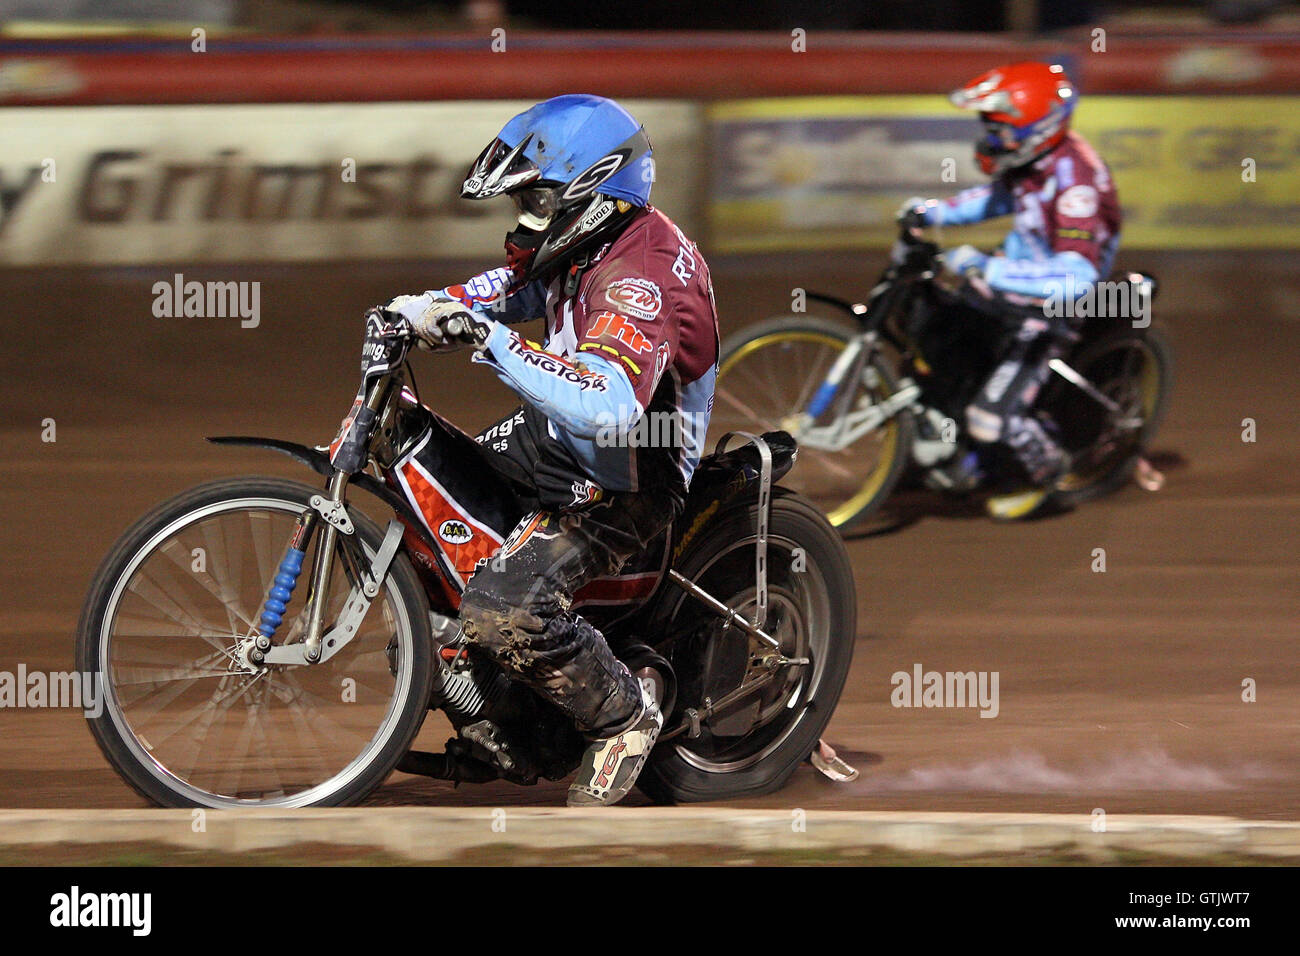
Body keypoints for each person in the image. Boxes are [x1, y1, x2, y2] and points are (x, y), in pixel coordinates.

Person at [379, 94, 720, 805]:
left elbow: (609, 407)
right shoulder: (591, 240)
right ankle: (524, 719)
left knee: (504, 602)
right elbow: (511, 287)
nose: (523, 221)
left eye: (536, 200)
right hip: (562, 434)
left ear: (591, 195)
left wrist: (491, 340)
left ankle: (626, 717)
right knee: (436, 517)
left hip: (628, 472)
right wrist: (426, 308)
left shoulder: (639, 283)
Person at [898, 62, 1121, 519]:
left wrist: (985, 267)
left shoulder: (1076, 185)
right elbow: (999, 199)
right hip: (1018, 274)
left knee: (989, 419)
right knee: (936, 335)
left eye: (998, 128)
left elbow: (1076, 278)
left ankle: (1045, 477)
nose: (990, 137)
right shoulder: (1035, 160)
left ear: (1038, 129)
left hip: (1053, 302)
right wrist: (933, 213)